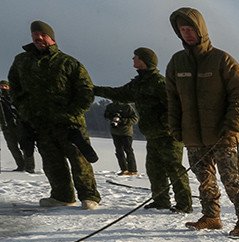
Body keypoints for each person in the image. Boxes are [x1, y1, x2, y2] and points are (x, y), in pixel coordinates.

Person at [166, 7, 239, 236]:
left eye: (190, 29)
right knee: (204, 180)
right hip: (193, 136)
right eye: (182, 30)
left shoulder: (222, 60)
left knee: (231, 179)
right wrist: (175, 127)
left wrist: (233, 125)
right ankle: (211, 216)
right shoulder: (177, 63)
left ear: (201, 29)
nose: (187, 33)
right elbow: (172, 99)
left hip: (223, 134)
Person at [7, 20, 100, 209]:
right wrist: (25, 112)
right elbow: (14, 89)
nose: (38, 38)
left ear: (51, 38)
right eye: (35, 35)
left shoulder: (69, 63)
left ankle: (89, 197)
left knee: (79, 160)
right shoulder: (21, 61)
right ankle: (62, 196)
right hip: (40, 124)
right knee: (52, 162)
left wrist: (72, 114)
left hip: (69, 125)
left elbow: (85, 91)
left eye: (42, 35)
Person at [94, 47, 193, 212]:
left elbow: (174, 106)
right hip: (152, 136)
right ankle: (161, 201)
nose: (133, 59)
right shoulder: (138, 83)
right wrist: (94, 89)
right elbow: (119, 93)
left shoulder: (159, 83)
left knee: (174, 169)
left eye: (136, 57)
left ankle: (184, 204)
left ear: (144, 61)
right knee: (154, 170)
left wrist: (166, 125)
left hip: (168, 136)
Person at [103, 101, 139, 176]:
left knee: (128, 150)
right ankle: (124, 169)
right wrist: (112, 117)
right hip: (115, 132)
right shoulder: (110, 106)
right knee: (119, 151)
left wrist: (122, 120)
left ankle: (132, 170)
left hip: (126, 132)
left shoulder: (128, 107)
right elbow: (106, 115)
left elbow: (135, 119)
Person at [0, 80, 28, 171]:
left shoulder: (14, 97)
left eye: (5, 86)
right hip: (6, 126)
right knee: (12, 147)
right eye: (1, 86)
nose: (3, 88)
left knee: (25, 145)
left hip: (18, 125)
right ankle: (21, 165)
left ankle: (29, 167)